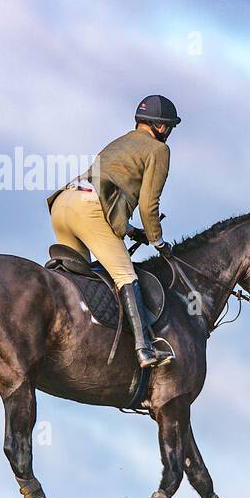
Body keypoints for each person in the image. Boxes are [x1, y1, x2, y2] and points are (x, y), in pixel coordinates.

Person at [46, 95, 179, 369]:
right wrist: (158, 240)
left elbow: (107, 192)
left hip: (64, 202)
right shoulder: (158, 150)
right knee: (125, 275)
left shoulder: (120, 142)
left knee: (77, 278)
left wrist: (130, 231)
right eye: (170, 129)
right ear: (161, 127)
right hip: (90, 209)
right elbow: (148, 204)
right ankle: (144, 348)